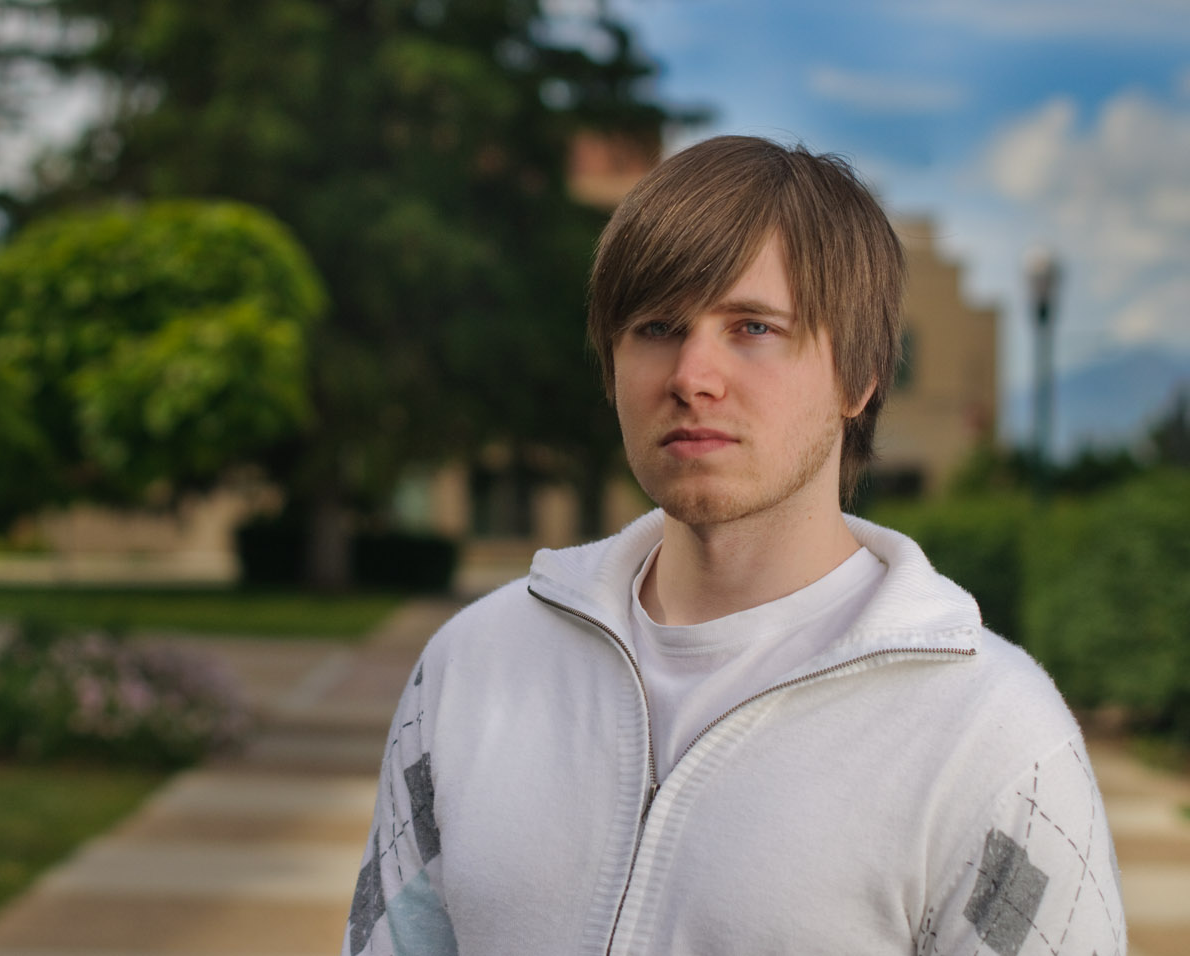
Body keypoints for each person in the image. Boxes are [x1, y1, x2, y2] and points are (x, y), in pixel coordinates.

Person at [342, 135, 1126, 956]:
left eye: (753, 327)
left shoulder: (994, 737)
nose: (692, 376)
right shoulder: (472, 665)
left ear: (860, 377)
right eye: (656, 326)